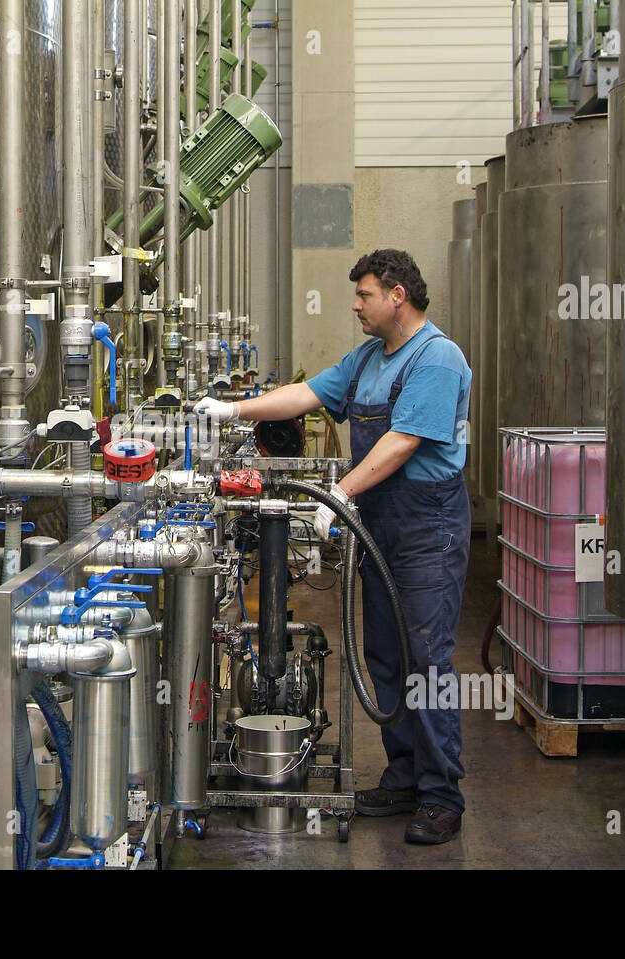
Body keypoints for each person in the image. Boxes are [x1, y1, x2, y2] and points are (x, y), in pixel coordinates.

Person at [196, 249, 472, 844]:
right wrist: (232, 409)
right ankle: (403, 775)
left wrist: (339, 494)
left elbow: (401, 442)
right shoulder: (370, 358)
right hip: (380, 524)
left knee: (427, 657)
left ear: (397, 295)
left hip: (428, 530)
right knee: (386, 656)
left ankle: (441, 794)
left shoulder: (438, 358)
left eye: (365, 295)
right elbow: (306, 396)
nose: (355, 305)